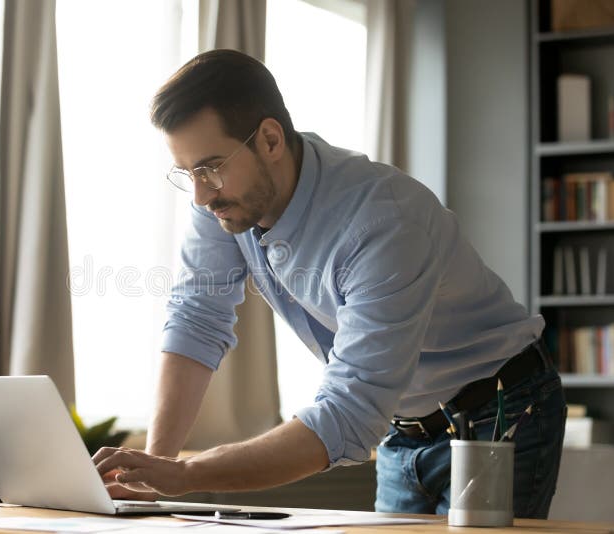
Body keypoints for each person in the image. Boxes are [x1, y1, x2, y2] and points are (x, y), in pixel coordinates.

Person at [93, 49, 566, 517]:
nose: (199, 194)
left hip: (503, 410)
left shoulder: (383, 222)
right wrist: (151, 469)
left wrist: (189, 476)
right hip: (403, 425)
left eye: (210, 167)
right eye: (187, 172)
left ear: (271, 140)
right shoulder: (223, 202)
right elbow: (196, 320)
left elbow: (347, 411)